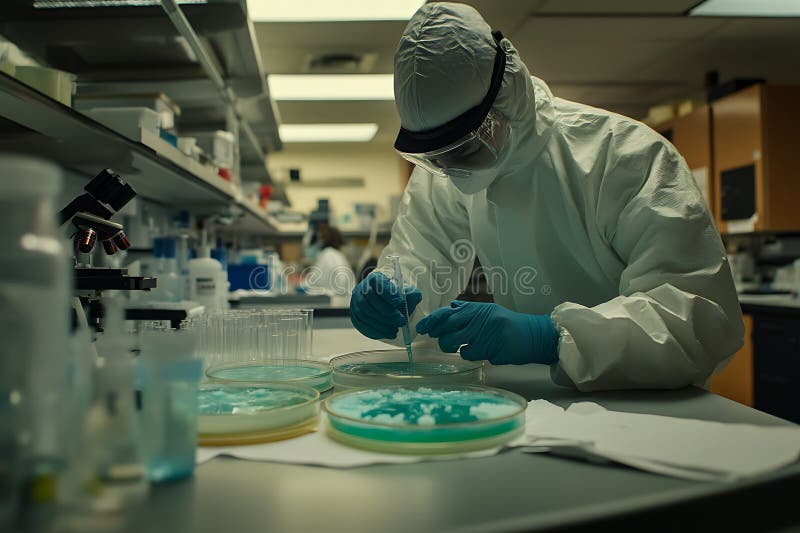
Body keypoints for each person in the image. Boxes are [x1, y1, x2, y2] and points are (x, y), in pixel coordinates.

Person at [349, 2, 744, 391]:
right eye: (435, 157)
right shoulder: (449, 173)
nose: (452, 169)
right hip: (529, 400)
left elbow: (701, 319)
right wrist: (393, 296)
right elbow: (420, 256)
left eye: (464, 147)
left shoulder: (625, 157)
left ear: (505, 97)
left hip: (647, 402)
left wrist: (551, 336)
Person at [303, 224, 355, 296]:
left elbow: (311, 282)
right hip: (337, 299)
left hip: (333, 299)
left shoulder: (328, 255)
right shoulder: (334, 255)